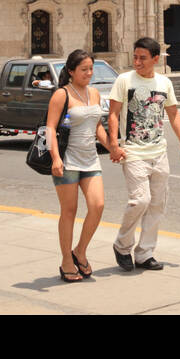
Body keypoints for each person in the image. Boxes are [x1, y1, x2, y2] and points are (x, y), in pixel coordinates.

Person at [108, 37, 180, 272]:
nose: (137, 62)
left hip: (159, 152)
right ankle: (122, 245)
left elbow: (173, 113)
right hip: (133, 152)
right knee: (140, 200)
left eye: (143, 58)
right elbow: (113, 114)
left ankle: (145, 253)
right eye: (135, 57)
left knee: (157, 205)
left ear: (156, 59)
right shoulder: (124, 80)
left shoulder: (164, 83)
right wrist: (114, 145)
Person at [47, 49, 112, 283]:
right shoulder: (61, 95)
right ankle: (66, 260)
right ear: (71, 71)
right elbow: (50, 129)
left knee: (98, 205)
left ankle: (80, 251)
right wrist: (55, 158)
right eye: (84, 69)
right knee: (69, 211)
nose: (89, 73)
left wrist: (112, 147)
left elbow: (98, 128)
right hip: (68, 160)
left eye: (91, 69)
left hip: (90, 158)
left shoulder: (94, 94)